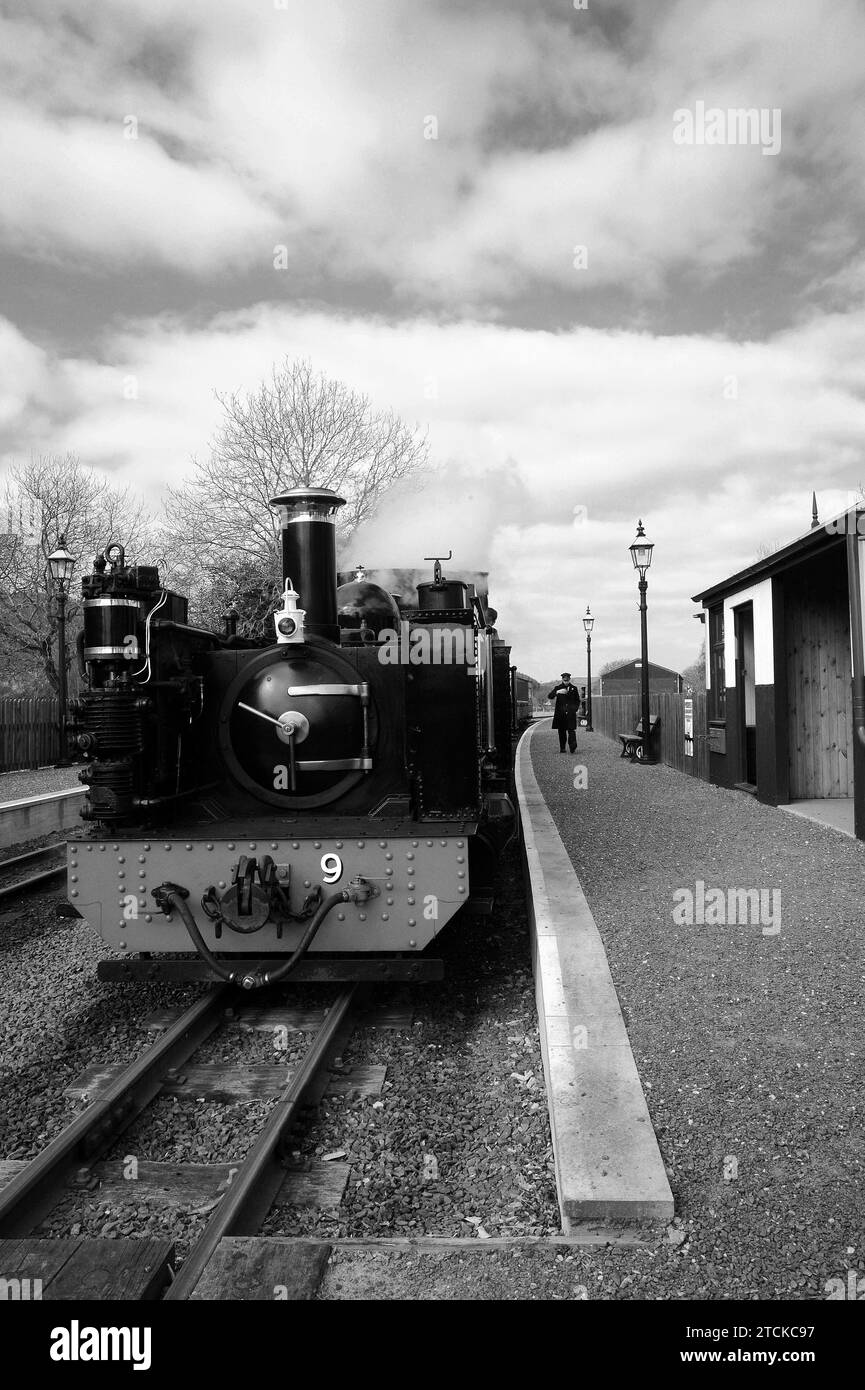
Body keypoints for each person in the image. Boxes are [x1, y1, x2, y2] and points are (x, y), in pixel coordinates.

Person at [547, 672, 580, 753]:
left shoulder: (574, 688)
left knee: (571, 731)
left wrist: (574, 710)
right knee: (561, 732)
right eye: (565, 680)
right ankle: (562, 748)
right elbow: (550, 696)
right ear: (562, 679)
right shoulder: (558, 687)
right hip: (561, 714)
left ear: (569, 679)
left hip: (570, 714)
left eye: (567, 680)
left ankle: (572, 747)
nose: (566, 682)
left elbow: (577, 700)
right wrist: (557, 692)